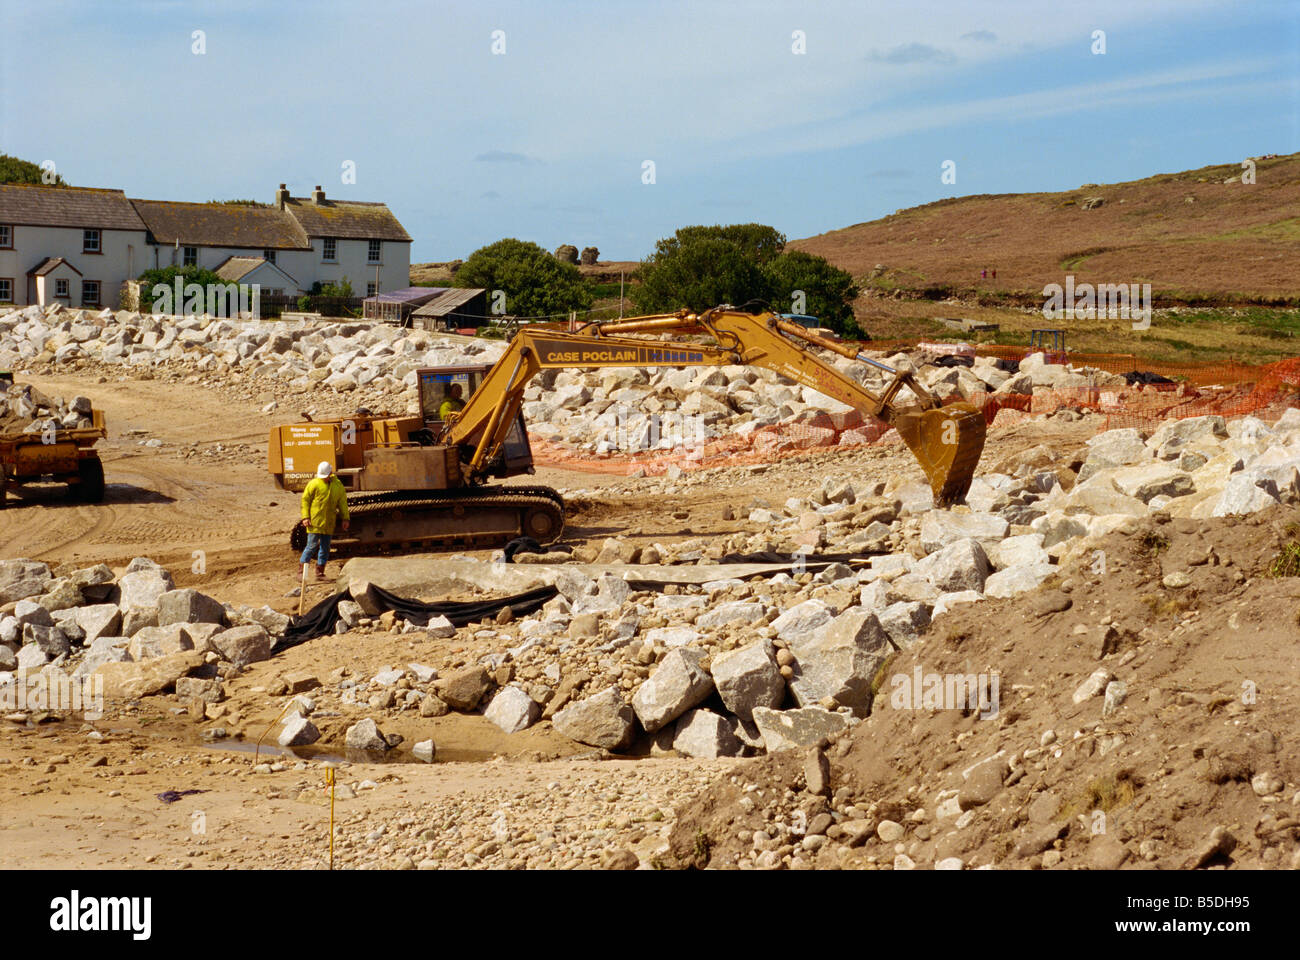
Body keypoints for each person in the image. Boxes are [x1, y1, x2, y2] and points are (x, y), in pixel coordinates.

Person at [298, 461, 349, 581]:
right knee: (311, 546)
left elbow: (342, 503)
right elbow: (305, 501)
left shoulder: (337, 486)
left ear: (330, 473)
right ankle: (301, 572)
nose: (324, 478)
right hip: (315, 522)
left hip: (328, 522)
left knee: (325, 548)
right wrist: (305, 517)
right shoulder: (314, 484)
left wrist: (345, 518)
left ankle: (320, 573)